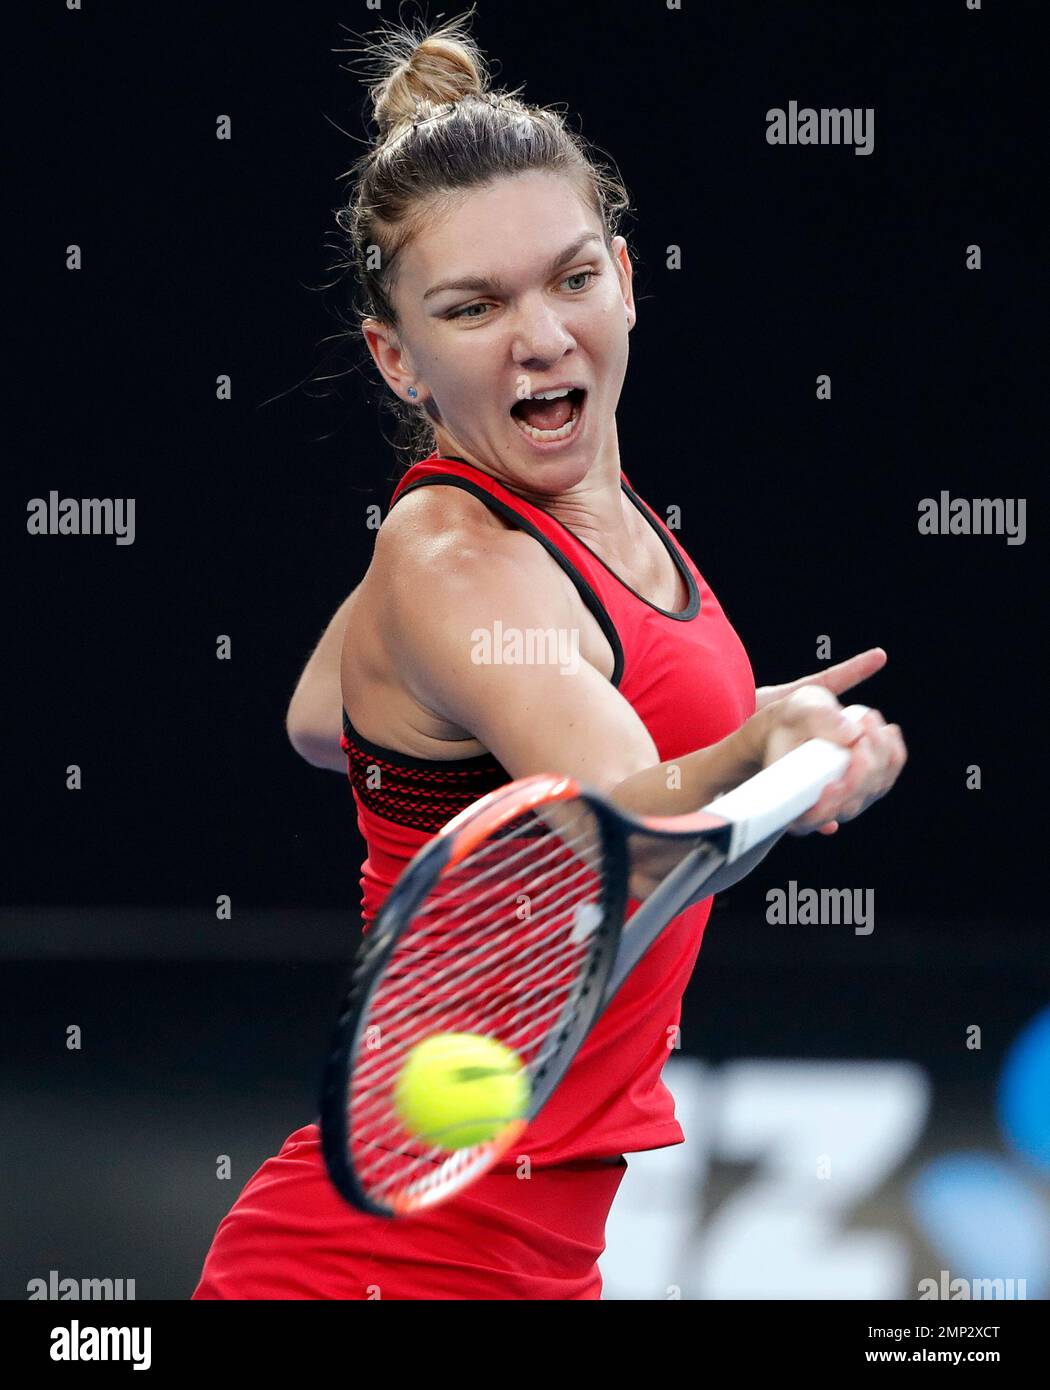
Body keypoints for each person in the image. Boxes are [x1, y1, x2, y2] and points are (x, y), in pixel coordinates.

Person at [193, 12, 906, 1301]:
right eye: (472, 307)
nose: (541, 336)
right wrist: (765, 742)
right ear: (395, 357)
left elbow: (315, 718)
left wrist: (406, 743)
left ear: (627, 278)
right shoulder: (454, 560)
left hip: (536, 1258)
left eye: (572, 278)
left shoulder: (570, 532)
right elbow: (626, 816)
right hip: (374, 1269)